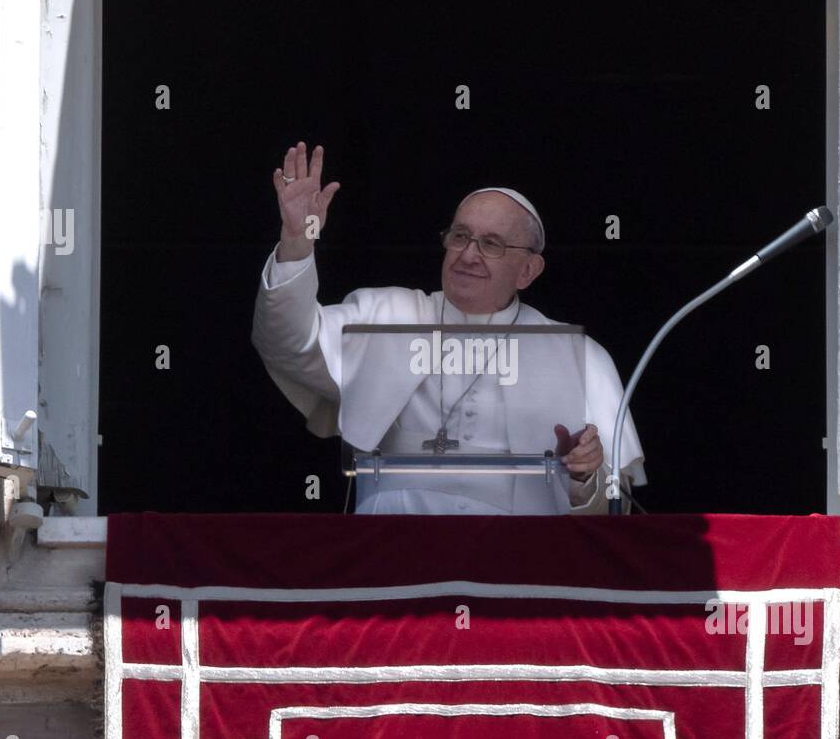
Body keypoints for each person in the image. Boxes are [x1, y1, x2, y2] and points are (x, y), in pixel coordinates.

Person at [251, 141, 645, 514]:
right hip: (391, 549)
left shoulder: (577, 356)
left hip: (516, 559)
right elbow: (288, 344)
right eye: (460, 236)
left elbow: (614, 504)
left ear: (528, 270)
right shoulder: (385, 314)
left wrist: (585, 474)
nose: (469, 255)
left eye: (491, 244)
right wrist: (297, 242)